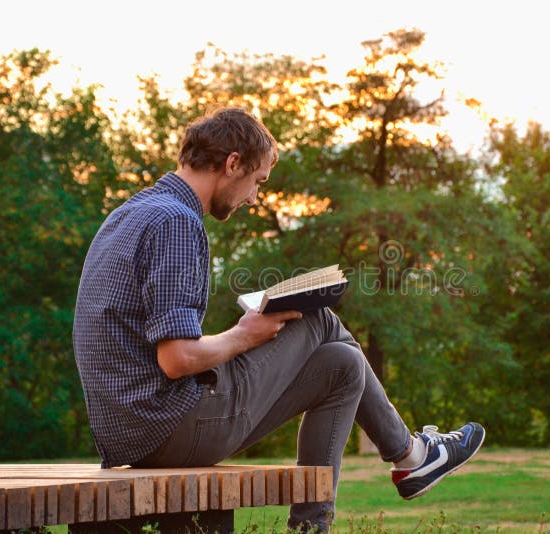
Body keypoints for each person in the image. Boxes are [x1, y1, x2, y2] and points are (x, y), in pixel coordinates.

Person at [73, 107, 485, 532]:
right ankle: (412, 456)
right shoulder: (177, 222)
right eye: (258, 181)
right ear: (233, 163)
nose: (254, 198)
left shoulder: (131, 212)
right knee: (317, 318)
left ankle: (315, 525)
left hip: (128, 431)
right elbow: (176, 359)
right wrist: (243, 335)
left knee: (343, 366)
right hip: (168, 427)